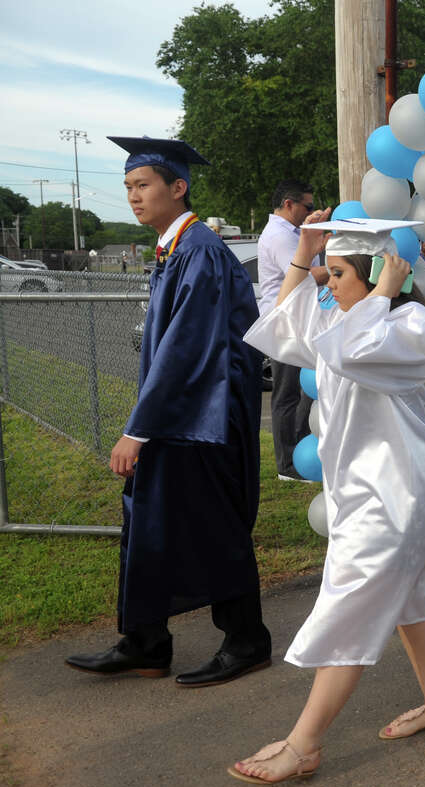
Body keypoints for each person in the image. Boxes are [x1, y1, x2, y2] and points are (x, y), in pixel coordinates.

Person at [231, 215, 425, 784]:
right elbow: (282, 326)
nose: (327, 285)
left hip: (397, 494)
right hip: (365, 490)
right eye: (326, 275)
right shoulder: (343, 317)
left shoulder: (412, 326)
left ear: (380, 270)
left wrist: (382, 289)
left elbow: (356, 352)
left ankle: (304, 743)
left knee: (351, 608)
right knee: (412, 601)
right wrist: (305, 255)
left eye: (337, 274)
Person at [66, 136, 270, 687]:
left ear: (177, 188)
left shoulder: (199, 250)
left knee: (212, 523)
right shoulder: (175, 248)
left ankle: (247, 639)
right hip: (180, 415)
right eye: (129, 186)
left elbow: (187, 349)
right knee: (149, 518)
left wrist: (138, 429)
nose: (133, 196)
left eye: (143, 185)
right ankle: (146, 641)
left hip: (201, 419)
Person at [257, 179, 323, 481]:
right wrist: (342, 268)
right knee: (287, 395)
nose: (310, 211)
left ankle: (297, 454)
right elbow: (303, 276)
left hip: (297, 319)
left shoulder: (290, 233)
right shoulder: (281, 235)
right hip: (285, 321)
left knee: (302, 392)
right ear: (289, 204)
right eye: (307, 206)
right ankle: (287, 464)